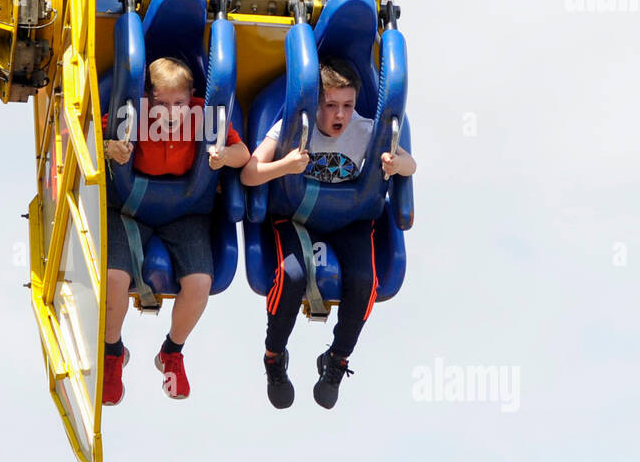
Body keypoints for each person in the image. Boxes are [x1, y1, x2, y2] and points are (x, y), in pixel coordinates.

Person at [240, 57, 416, 409]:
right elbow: (249, 173)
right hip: (298, 218)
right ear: (314, 104)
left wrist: (397, 165)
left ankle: (337, 360)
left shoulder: (365, 130)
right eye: (331, 105)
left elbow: (412, 164)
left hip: (347, 221)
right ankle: (274, 356)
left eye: (347, 106)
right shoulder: (290, 128)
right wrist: (284, 166)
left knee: (365, 282)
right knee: (291, 276)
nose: (340, 115)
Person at [101, 56, 251, 405]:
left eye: (179, 104)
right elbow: (87, 138)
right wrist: (110, 147)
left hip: (183, 213)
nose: (170, 112)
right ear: (147, 98)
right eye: (161, 104)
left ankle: (172, 352)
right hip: (130, 210)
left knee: (200, 283)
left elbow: (243, 153)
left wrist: (224, 156)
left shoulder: (205, 115)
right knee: (113, 278)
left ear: (192, 97)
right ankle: (112, 352)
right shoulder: (132, 114)